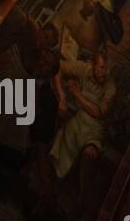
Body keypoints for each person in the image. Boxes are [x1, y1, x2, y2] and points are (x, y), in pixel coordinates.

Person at [49, 50, 117, 181]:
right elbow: (57, 67)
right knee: (63, 137)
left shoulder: (111, 87)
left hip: (94, 129)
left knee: (90, 154)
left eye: (107, 69)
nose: (105, 73)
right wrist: (62, 96)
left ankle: (80, 193)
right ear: (93, 65)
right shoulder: (83, 69)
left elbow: (98, 112)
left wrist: (77, 94)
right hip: (77, 121)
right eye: (102, 68)